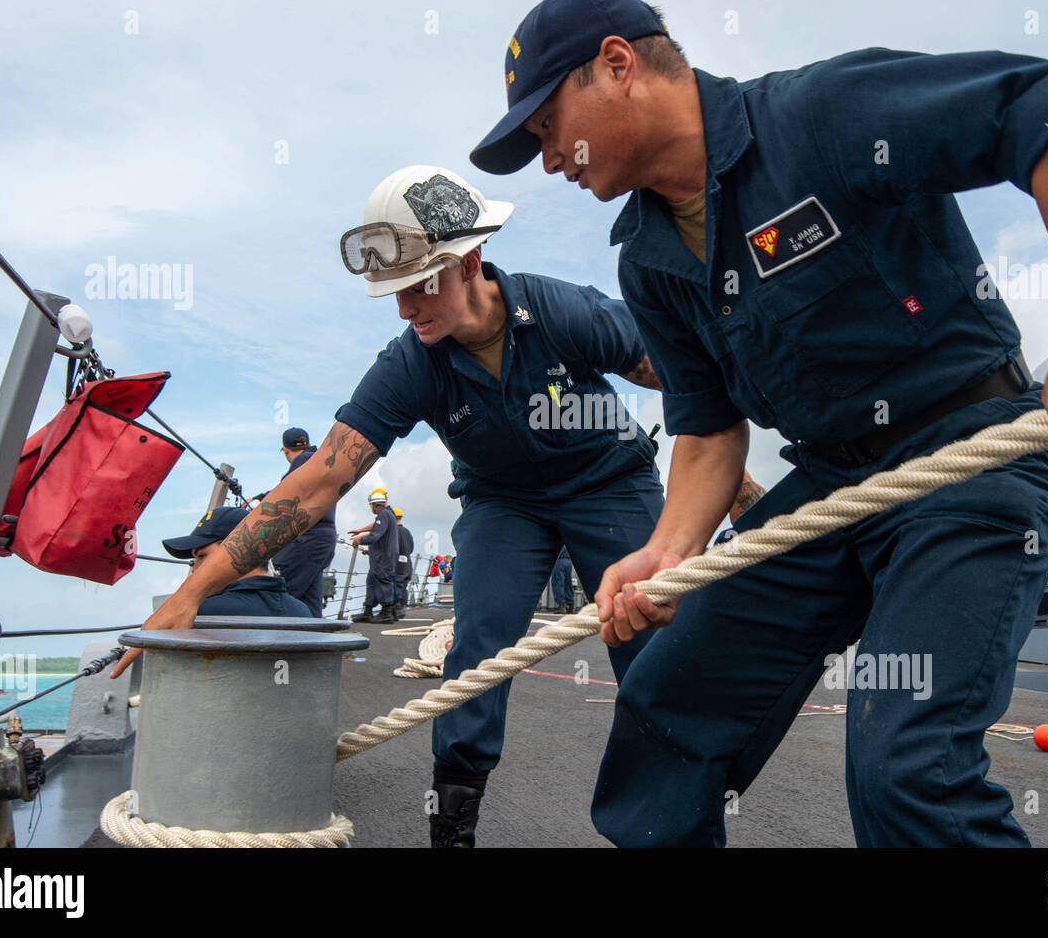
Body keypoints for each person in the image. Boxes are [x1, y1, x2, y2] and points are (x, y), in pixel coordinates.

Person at [472, 0, 1048, 847]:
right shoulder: (648, 262)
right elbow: (711, 424)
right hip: (833, 482)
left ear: (617, 66)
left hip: (977, 456)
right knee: (662, 708)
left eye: (546, 128)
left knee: (905, 765)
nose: (548, 161)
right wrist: (668, 552)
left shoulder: (822, 113)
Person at [115, 163, 669, 849]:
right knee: (475, 653)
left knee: (656, 649)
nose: (406, 309)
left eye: (420, 285)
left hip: (610, 482)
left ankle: (667, 823)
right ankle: (451, 832)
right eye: (395, 293)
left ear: (470, 259)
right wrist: (195, 589)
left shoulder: (561, 311)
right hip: (504, 504)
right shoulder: (412, 363)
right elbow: (318, 483)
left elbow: (680, 372)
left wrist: (732, 492)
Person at [161, 506, 311, 618]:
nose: (194, 569)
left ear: (238, 550)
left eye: (202, 556)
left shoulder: (201, 613)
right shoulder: (302, 613)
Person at [269, 427, 338, 616]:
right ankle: (313, 640)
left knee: (279, 593)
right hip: (323, 538)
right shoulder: (318, 460)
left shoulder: (303, 460)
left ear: (285, 450)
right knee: (309, 598)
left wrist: (259, 501)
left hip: (306, 537)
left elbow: (286, 495)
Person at [348, 488, 400, 623]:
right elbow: (376, 528)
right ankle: (368, 611)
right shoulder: (388, 514)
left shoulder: (383, 515)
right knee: (371, 582)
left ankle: (386, 612)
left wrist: (360, 539)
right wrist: (360, 531)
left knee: (384, 582)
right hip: (380, 558)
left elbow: (375, 535)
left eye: (372, 505)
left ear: (376, 505)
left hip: (383, 558)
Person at [393, 506, 414, 616]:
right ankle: (402, 607)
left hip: (398, 564)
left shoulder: (394, 532)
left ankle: (397, 608)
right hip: (407, 564)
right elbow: (411, 549)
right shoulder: (407, 532)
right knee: (403, 586)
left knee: (397, 585)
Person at [549, 546, 574, 613]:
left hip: (559, 559)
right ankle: (570, 605)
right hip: (568, 560)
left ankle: (562, 606)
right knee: (567, 583)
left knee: (558, 582)